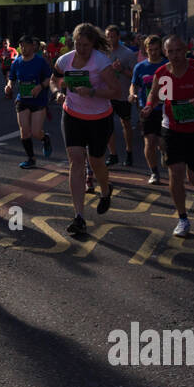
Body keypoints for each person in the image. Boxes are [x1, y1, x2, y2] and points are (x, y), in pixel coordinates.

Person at [141, 35, 194, 238]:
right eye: (170, 52)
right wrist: (150, 106)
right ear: (165, 53)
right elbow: (155, 94)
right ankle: (182, 218)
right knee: (175, 173)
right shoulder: (163, 73)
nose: (175, 55)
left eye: (178, 50)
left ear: (185, 50)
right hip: (171, 129)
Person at [52, 23, 121, 238]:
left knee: (96, 161)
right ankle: (79, 216)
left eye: (85, 45)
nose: (80, 48)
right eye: (77, 44)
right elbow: (54, 80)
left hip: (99, 119)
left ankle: (105, 190)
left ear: (92, 44)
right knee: (76, 160)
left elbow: (116, 91)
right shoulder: (65, 60)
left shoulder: (101, 62)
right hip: (72, 115)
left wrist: (92, 91)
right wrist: (57, 93)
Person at [5, 34, 52, 168]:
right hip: (23, 100)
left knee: (36, 132)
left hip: (38, 100)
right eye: (21, 46)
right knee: (25, 132)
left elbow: (50, 79)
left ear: (32, 47)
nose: (23, 49)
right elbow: (12, 78)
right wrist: (8, 86)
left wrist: (40, 86)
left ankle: (45, 138)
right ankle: (31, 158)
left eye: (25, 46)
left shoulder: (40, 61)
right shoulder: (17, 62)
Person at [131, 35, 168, 185]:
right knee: (149, 142)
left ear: (161, 49)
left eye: (156, 49)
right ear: (146, 50)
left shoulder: (167, 65)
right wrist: (132, 93)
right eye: (150, 50)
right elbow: (134, 84)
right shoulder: (140, 67)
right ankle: (154, 172)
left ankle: (164, 151)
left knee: (162, 142)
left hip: (165, 109)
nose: (153, 52)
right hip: (147, 109)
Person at [104, 25, 138, 167]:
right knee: (107, 126)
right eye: (108, 36)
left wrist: (121, 69)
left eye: (113, 36)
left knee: (126, 124)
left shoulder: (128, 54)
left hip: (123, 94)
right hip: (107, 95)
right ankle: (113, 154)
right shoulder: (102, 53)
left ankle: (129, 152)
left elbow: (134, 76)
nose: (110, 39)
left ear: (118, 37)